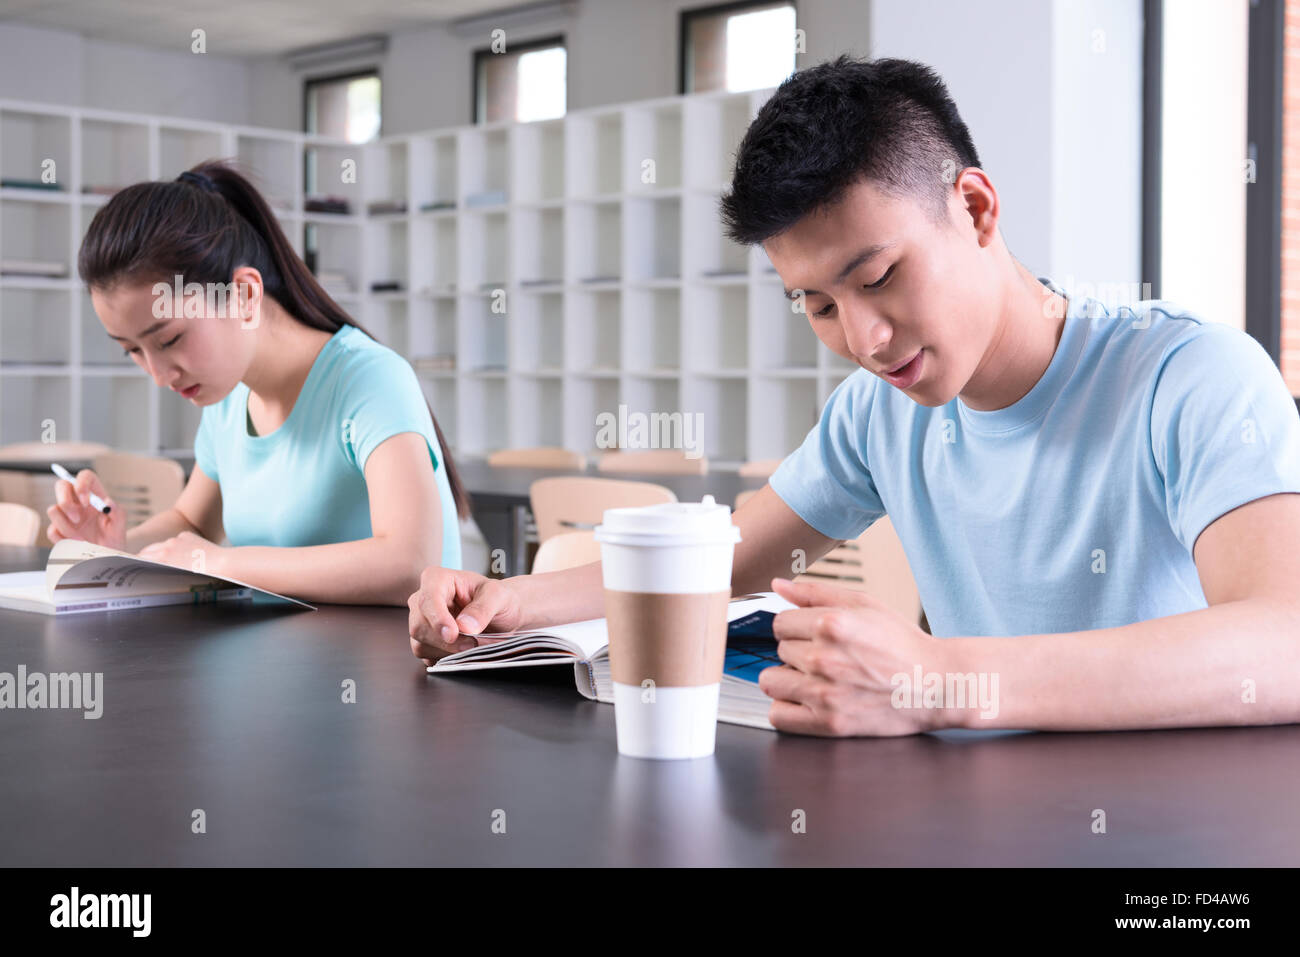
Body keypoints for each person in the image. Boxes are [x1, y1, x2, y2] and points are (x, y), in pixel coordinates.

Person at [409, 56, 1300, 735]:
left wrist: (938, 679)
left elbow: (1285, 644)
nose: (864, 339)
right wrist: (512, 603)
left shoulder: (1194, 378)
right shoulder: (881, 410)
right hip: (977, 820)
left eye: (878, 276)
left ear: (977, 208)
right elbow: (726, 558)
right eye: (820, 305)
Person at [47, 161, 468, 605]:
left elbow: (411, 563)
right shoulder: (229, 397)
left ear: (245, 294)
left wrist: (222, 563)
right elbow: (191, 522)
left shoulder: (369, 379)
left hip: (383, 670)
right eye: (132, 350)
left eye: (169, 338)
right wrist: (114, 549)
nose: (157, 374)